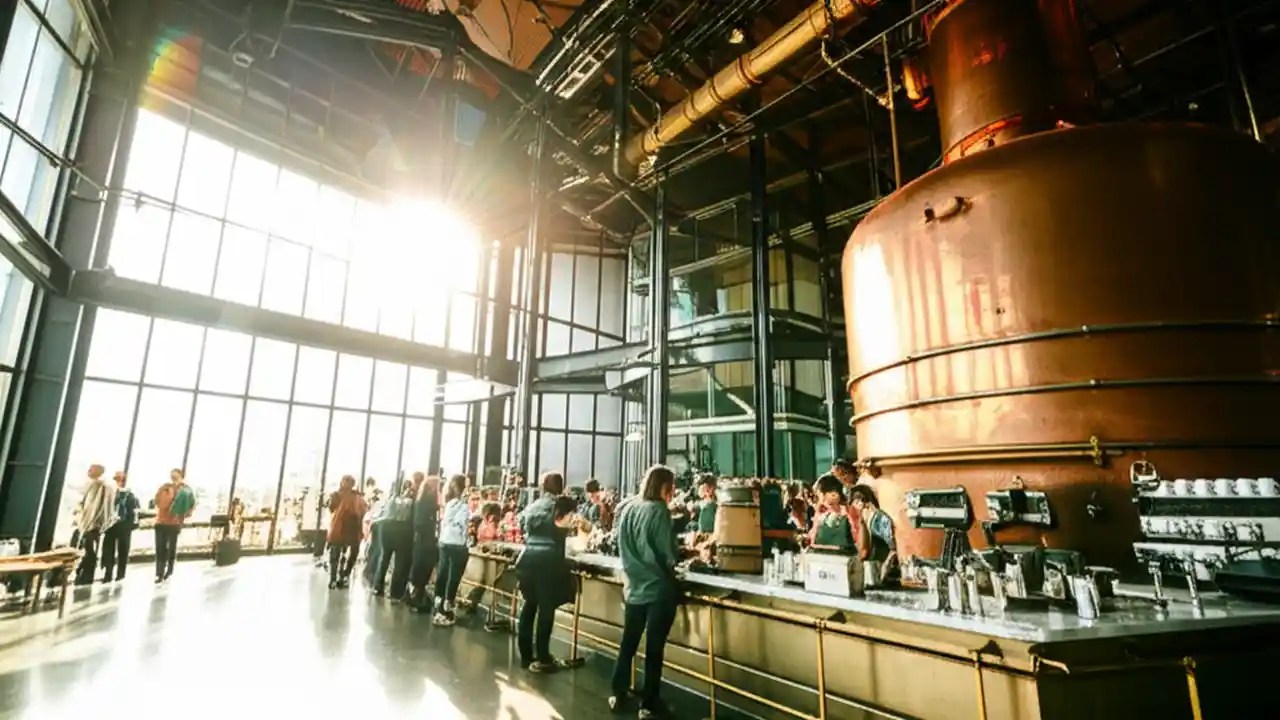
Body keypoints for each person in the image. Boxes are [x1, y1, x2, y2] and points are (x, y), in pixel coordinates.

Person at [610, 465, 682, 718]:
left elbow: (620, 545)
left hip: (633, 587)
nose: (673, 492)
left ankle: (617, 691)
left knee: (628, 641)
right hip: (658, 590)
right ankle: (649, 703)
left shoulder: (629, 508)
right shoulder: (660, 510)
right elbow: (667, 553)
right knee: (653, 648)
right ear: (665, 486)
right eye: (671, 486)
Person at [514, 472, 573, 673]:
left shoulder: (532, 506)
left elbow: (521, 527)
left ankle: (525, 655)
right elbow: (566, 531)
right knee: (546, 609)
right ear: (560, 487)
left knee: (529, 606)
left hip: (527, 558)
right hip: (549, 561)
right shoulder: (559, 507)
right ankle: (543, 657)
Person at [433, 474, 471, 626]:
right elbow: (463, 524)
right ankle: (447, 609)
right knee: (453, 577)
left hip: (444, 541)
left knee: (442, 574)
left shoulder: (448, 503)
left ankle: (438, 607)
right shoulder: (463, 506)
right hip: (457, 544)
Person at [373, 478, 416, 599]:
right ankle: (395, 592)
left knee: (384, 558)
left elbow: (381, 514)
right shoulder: (409, 502)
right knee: (399, 562)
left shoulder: (389, 499)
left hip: (386, 528)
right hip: (402, 530)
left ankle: (378, 587)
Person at [74, 464, 116, 586]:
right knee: (88, 549)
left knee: (90, 550)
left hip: (93, 524)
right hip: (88, 523)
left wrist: (97, 521)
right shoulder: (96, 484)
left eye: (91, 469)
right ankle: (84, 573)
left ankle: (86, 575)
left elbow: (102, 506)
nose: (88, 471)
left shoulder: (102, 485)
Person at [848, 484, 898, 582]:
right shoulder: (863, 517)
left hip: (878, 566)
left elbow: (892, 548)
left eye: (854, 502)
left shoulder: (880, 518)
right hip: (871, 565)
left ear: (860, 500)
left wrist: (886, 567)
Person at [154, 468, 195, 583]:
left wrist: (182, 514)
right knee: (160, 548)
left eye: (176, 475)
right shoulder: (165, 487)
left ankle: (169, 569)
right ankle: (159, 572)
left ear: (181, 476)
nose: (173, 477)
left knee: (171, 548)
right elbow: (157, 501)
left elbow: (190, 506)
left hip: (174, 523)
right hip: (161, 521)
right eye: (172, 475)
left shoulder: (186, 490)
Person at [327, 475, 367, 590]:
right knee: (348, 553)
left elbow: (331, 509)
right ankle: (342, 576)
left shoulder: (337, 495)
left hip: (341, 527)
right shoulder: (356, 497)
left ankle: (335, 578)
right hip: (350, 527)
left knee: (337, 554)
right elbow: (363, 511)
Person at [807, 474, 865, 553]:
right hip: (821, 554)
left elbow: (855, 535)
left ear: (833, 494)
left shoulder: (847, 512)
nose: (818, 496)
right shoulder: (821, 511)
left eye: (820, 493)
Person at [409, 475, 441, 612]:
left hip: (421, 541)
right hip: (427, 541)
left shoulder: (419, 500)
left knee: (420, 567)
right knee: (424, 568)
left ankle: (416, 595)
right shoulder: (429, 503)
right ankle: (418, 597)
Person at [101, 471, 139, 583]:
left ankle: (109, 574)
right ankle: (118, 574)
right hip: (123, 526)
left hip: (113, 525)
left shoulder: (112, 494)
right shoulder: (130, 495)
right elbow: (134, 512)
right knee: (121, 550)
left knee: (110, 549)